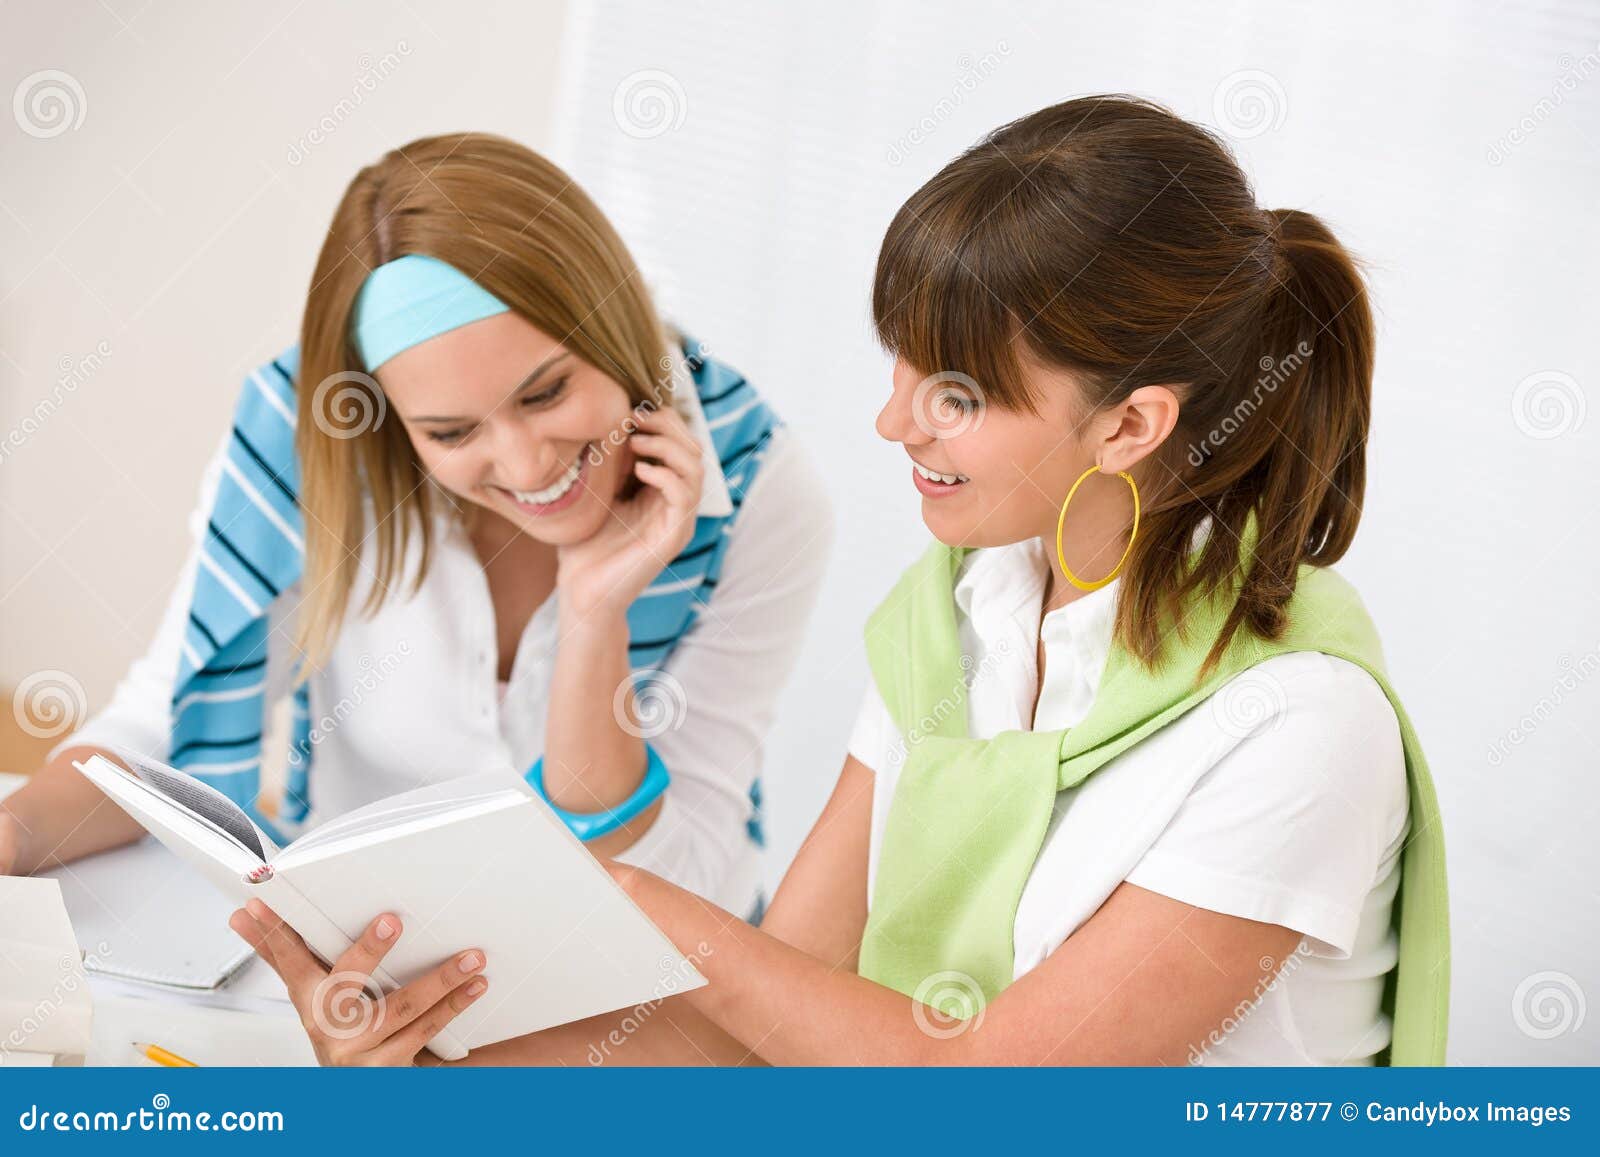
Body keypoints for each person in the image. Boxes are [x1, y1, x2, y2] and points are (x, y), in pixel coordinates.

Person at [225, 96, 1448, 1067]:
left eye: (953, 396)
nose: (889, 420)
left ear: (1127, 426)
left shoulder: (1297, 727)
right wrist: (430, 1053)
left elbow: (994, 1093)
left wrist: (626, 897)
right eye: (901, 368)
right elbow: (763, 1040)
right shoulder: (957, 621)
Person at [0, 133, 834, 930]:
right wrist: (16, 834)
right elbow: (164, 732)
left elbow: (676, 883)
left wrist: (592, 615)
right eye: (451, 432)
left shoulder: (758, 482)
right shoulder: (314, 439)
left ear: (612, 324)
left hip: (651, 1002)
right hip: (360, 956)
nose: (524, 461)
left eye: (545, 393)